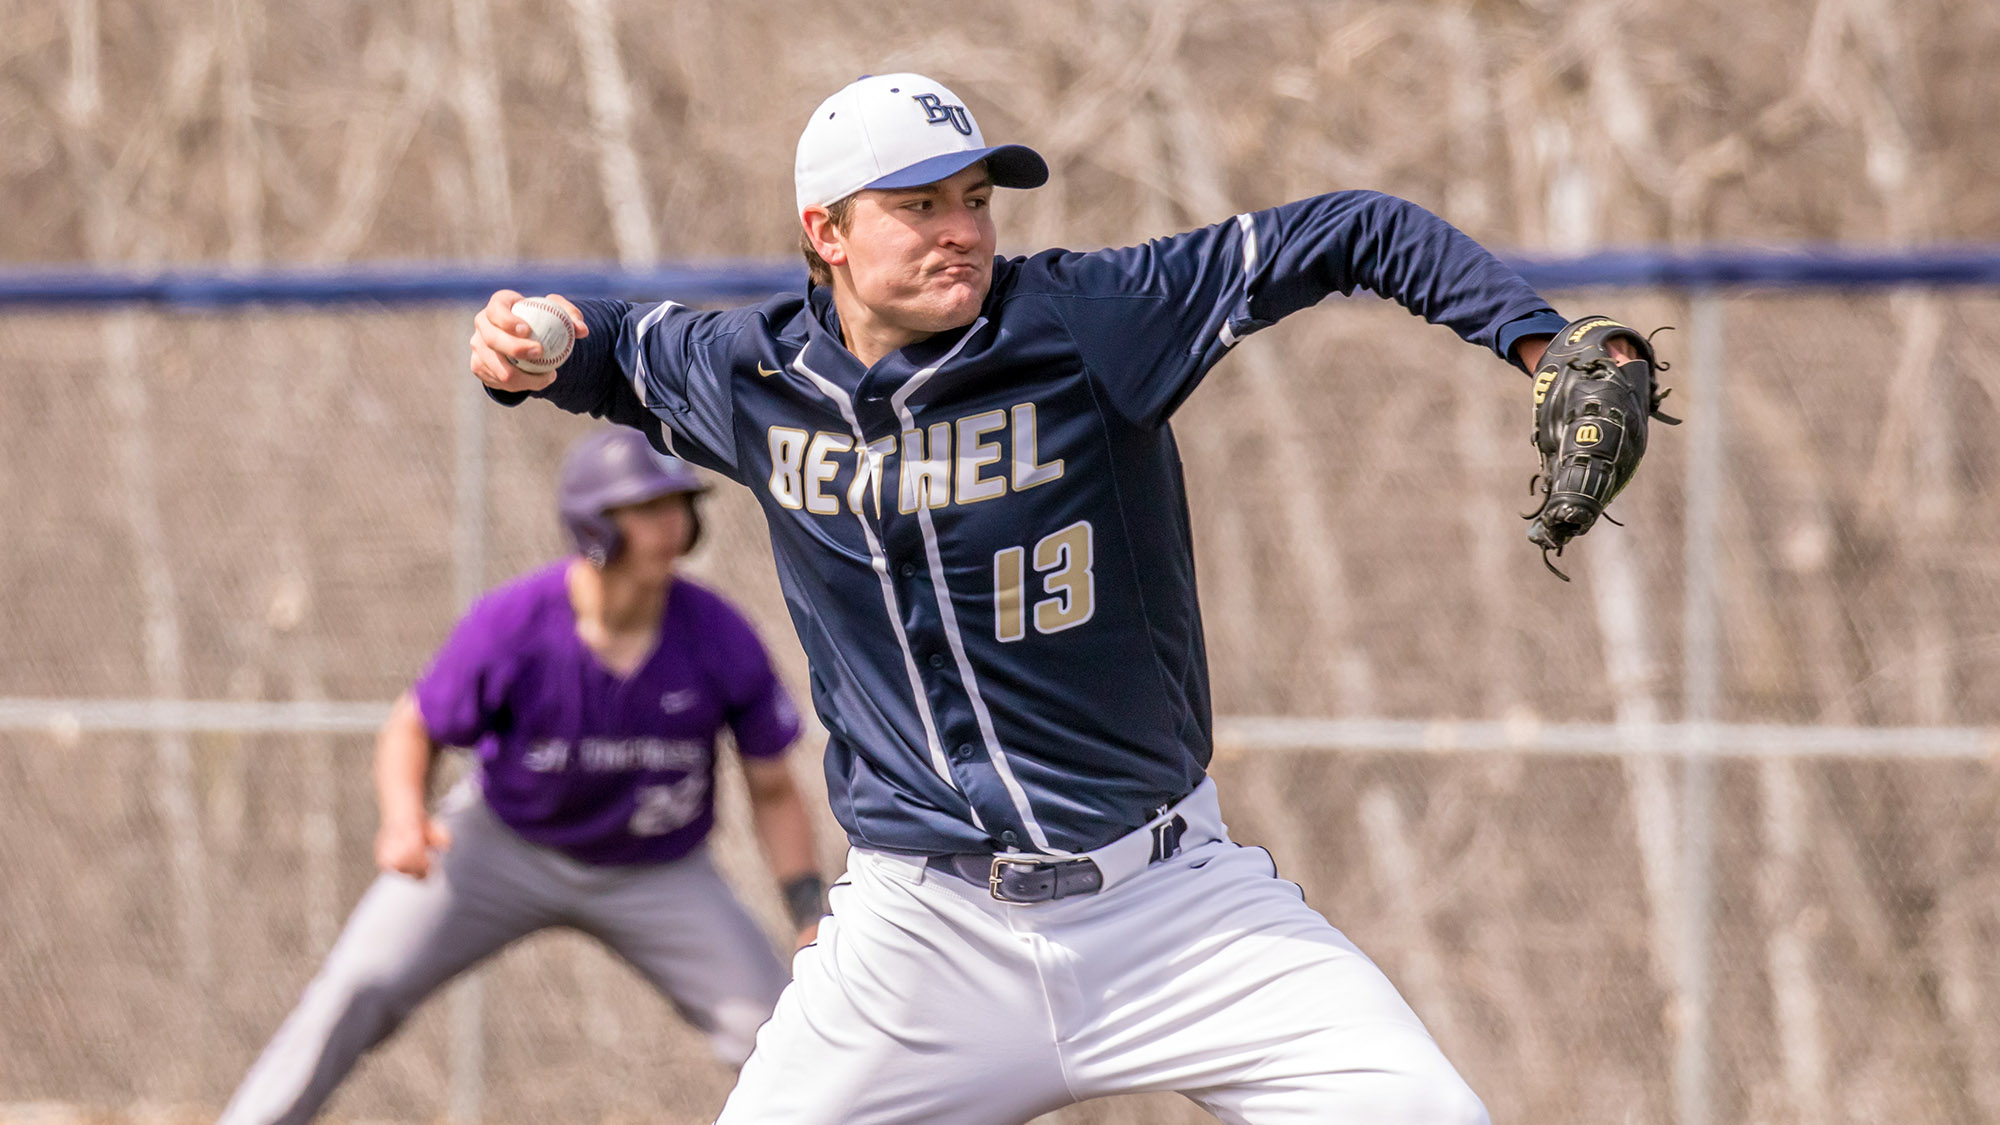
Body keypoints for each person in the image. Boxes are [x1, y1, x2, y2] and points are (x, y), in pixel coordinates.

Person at [465, 72, 1640, 1125]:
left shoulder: (1084, 322)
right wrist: (540, 341)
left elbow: (1348, 230)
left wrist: (1540, 345)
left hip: (1173, 904)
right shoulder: (758, 375)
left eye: (975, 198)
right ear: (823, 231)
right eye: (918, 206)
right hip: (926, 931)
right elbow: (611, 349)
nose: (961, 231)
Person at [219, 427, 821, 1125]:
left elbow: (773, 787)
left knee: (784, 1036)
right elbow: (413, 726)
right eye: (648, 507)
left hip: (658, 869)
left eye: (679, 505)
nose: (672, 523)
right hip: (500, 845)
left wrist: (807, 910)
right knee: (356, 986)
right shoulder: (516, 624)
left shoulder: (717, 633)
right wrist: (403, 817)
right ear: (594, 523)